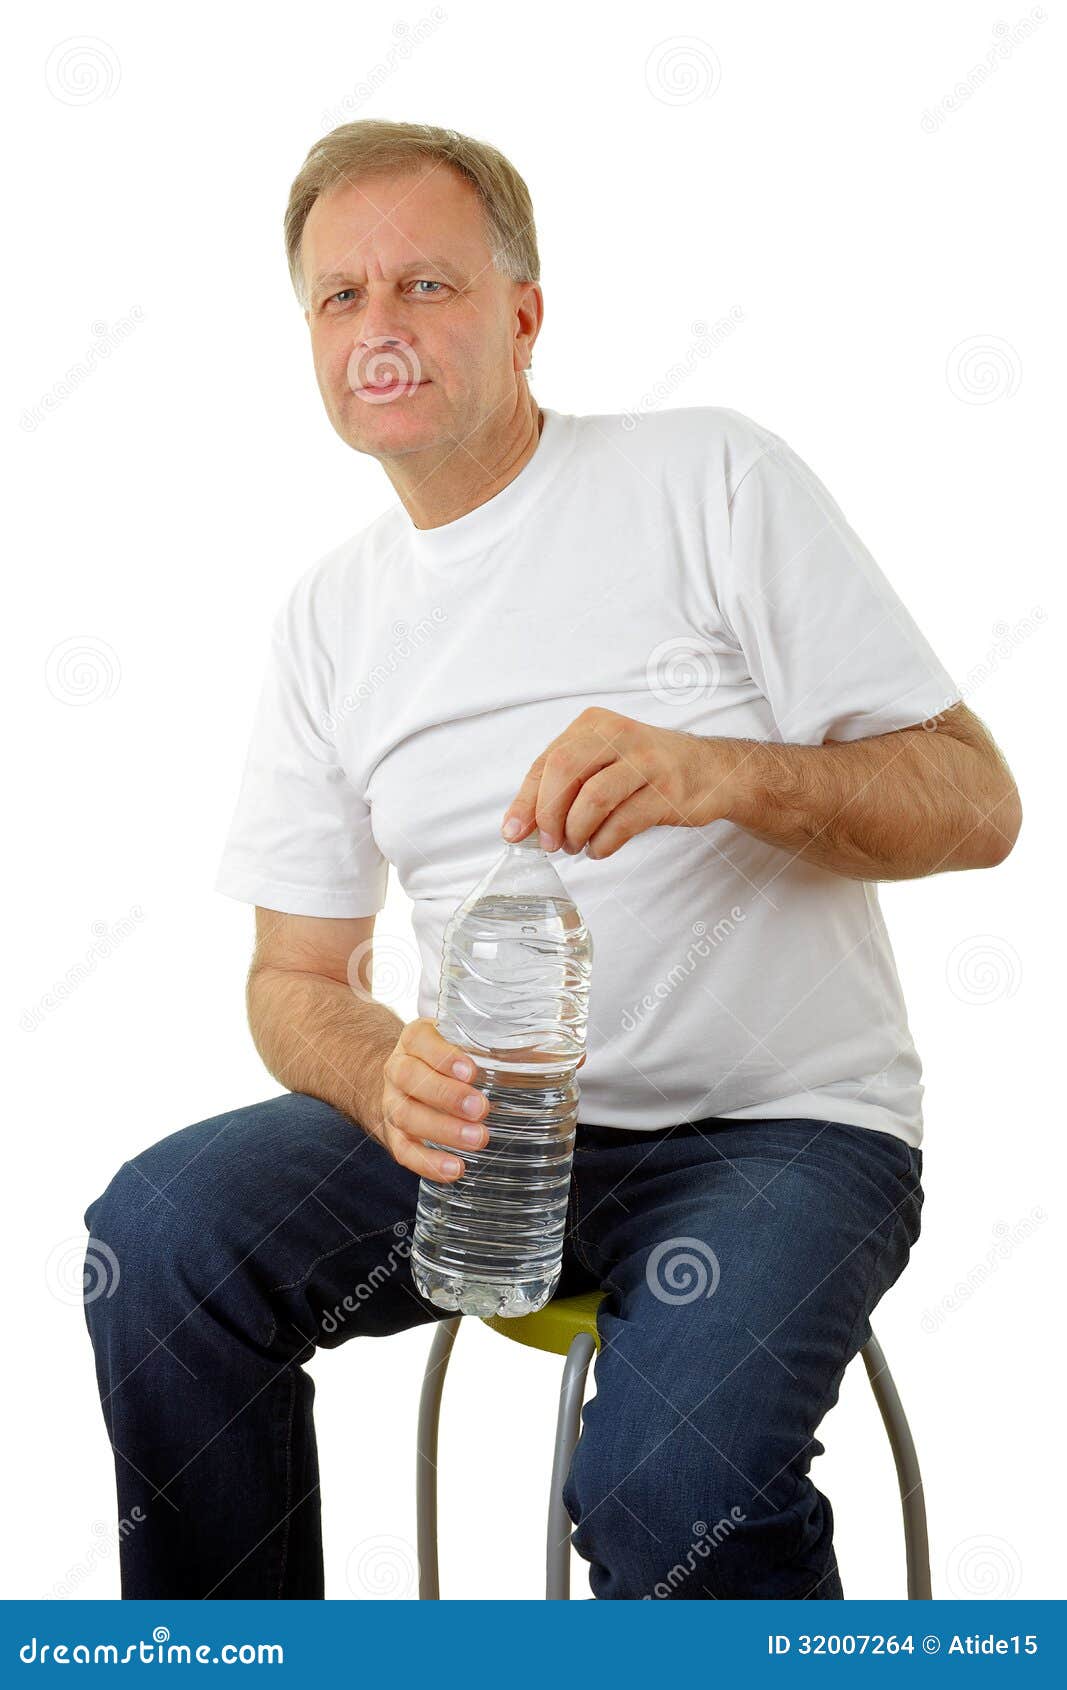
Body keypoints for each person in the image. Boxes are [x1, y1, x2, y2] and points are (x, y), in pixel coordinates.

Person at [83, 119, 1021, 1600]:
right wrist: (380, 1064)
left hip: (781, 1129)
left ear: (523, 315)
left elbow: (980, 803)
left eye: (426, 287)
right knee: (161, 1237)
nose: (378, 329)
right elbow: (294, 974)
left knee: (667, 1485)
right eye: (342, 298)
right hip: (498, 1144)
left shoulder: (707, 478)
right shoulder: (329, 621)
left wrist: (726, 773)